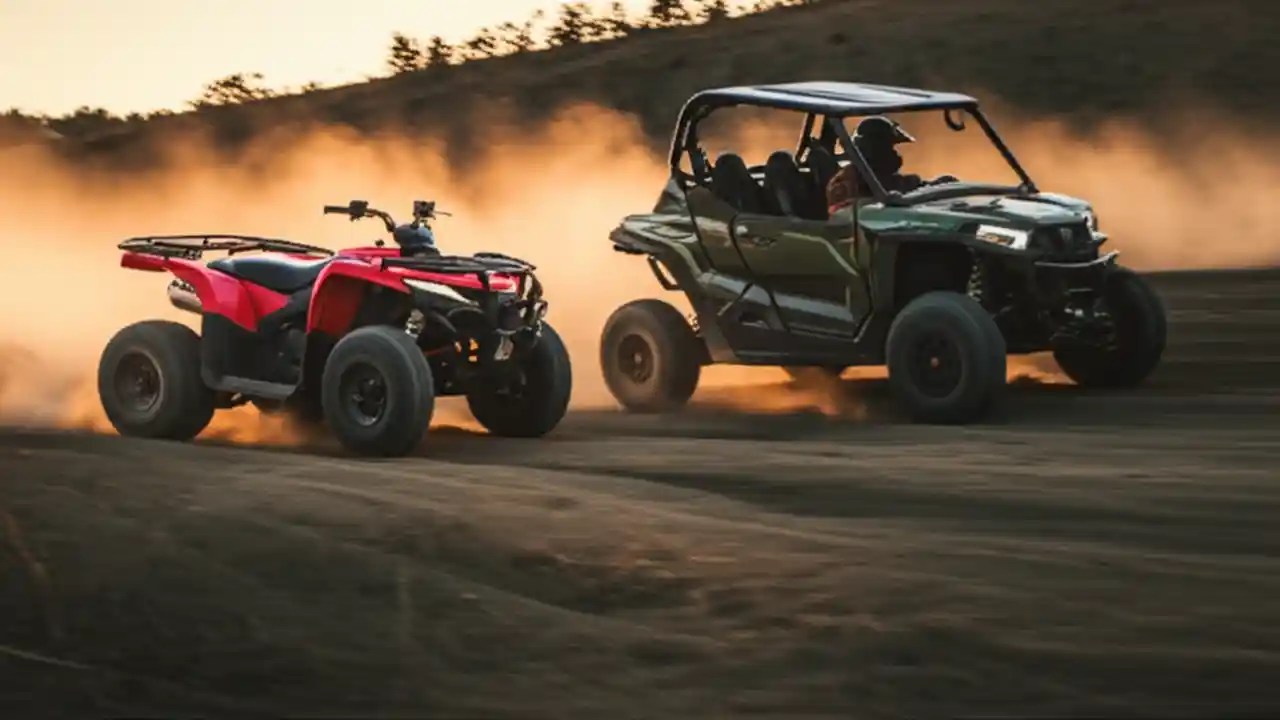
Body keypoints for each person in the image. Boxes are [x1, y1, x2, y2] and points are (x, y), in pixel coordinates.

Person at [824, 115, 956, 215]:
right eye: (890, 147)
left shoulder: (881, 178)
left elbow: (913, 188)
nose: (895, 154)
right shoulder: (848, 184)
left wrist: (942, 184)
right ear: (876, 148)